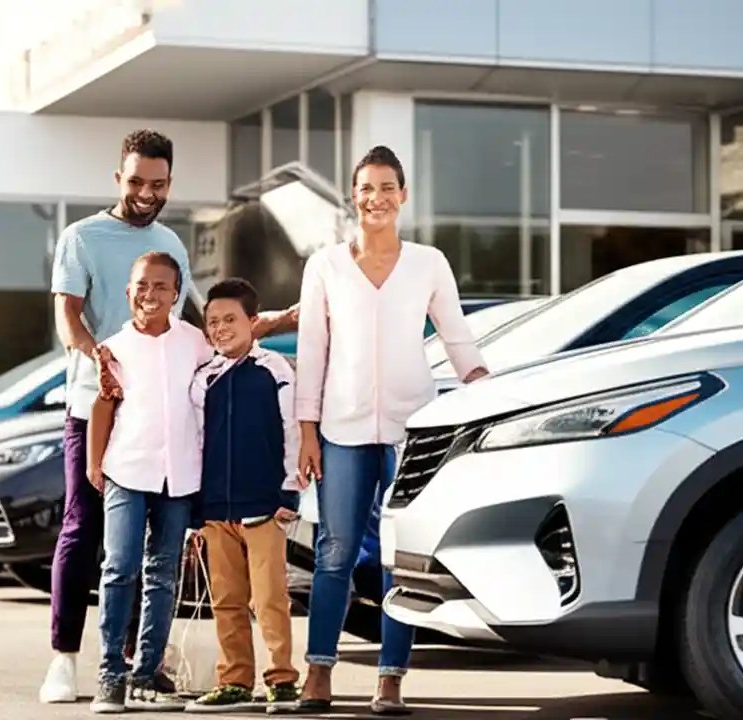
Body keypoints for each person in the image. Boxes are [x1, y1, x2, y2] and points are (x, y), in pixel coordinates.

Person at [42, 128, 295, 704]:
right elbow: (68, 318)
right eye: (136, 182)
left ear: (169, 184)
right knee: (88, 535)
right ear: (118, 178)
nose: (146, 192)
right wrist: (100, 359)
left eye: (157, 184)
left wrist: (278, 322)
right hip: (95, 406)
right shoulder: (81, 238)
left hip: (165, 431)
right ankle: (65, 657)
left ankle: (141, 664)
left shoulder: (171, 246)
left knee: (157, 560)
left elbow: (209, 329)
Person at [293, 145, 489, 715]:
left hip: (412, 433)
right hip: (341, 429)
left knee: (398, 559)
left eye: (386, 188)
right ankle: (319, 674)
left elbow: (456, 338)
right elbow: (313, 351)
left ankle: (390, 679)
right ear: (353, 198)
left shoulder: (429, 263)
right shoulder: (324, 265)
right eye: (365, 189)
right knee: (334, 553)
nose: (375, 198)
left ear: (403, 196)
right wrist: (307, 431)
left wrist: (482, 383)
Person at [85, 251, 210, 713]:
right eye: (142, 285)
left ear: (176, 295)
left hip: (179, 474)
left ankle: (147, 672)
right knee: (119, 569)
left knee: (163, 573)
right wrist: (94, 464)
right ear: (128, 291)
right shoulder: (114, 347)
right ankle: (110, 674)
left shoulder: (195, 342)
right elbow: (103, 404)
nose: (150, 294)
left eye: (161, 286)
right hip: (127, 470)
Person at [185, 278, 306, 715]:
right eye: (213, 322)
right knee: (227, 599)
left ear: (253, 322)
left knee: (270, 596)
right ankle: (235, 681)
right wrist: (197, 506)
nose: (220, 328)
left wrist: (289, 493)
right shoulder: (204, 379)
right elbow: (195, 443)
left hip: (264, 506)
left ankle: (281, 681)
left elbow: (292, 433)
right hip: (216, 509)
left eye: (230, 319)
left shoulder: (274, 370)